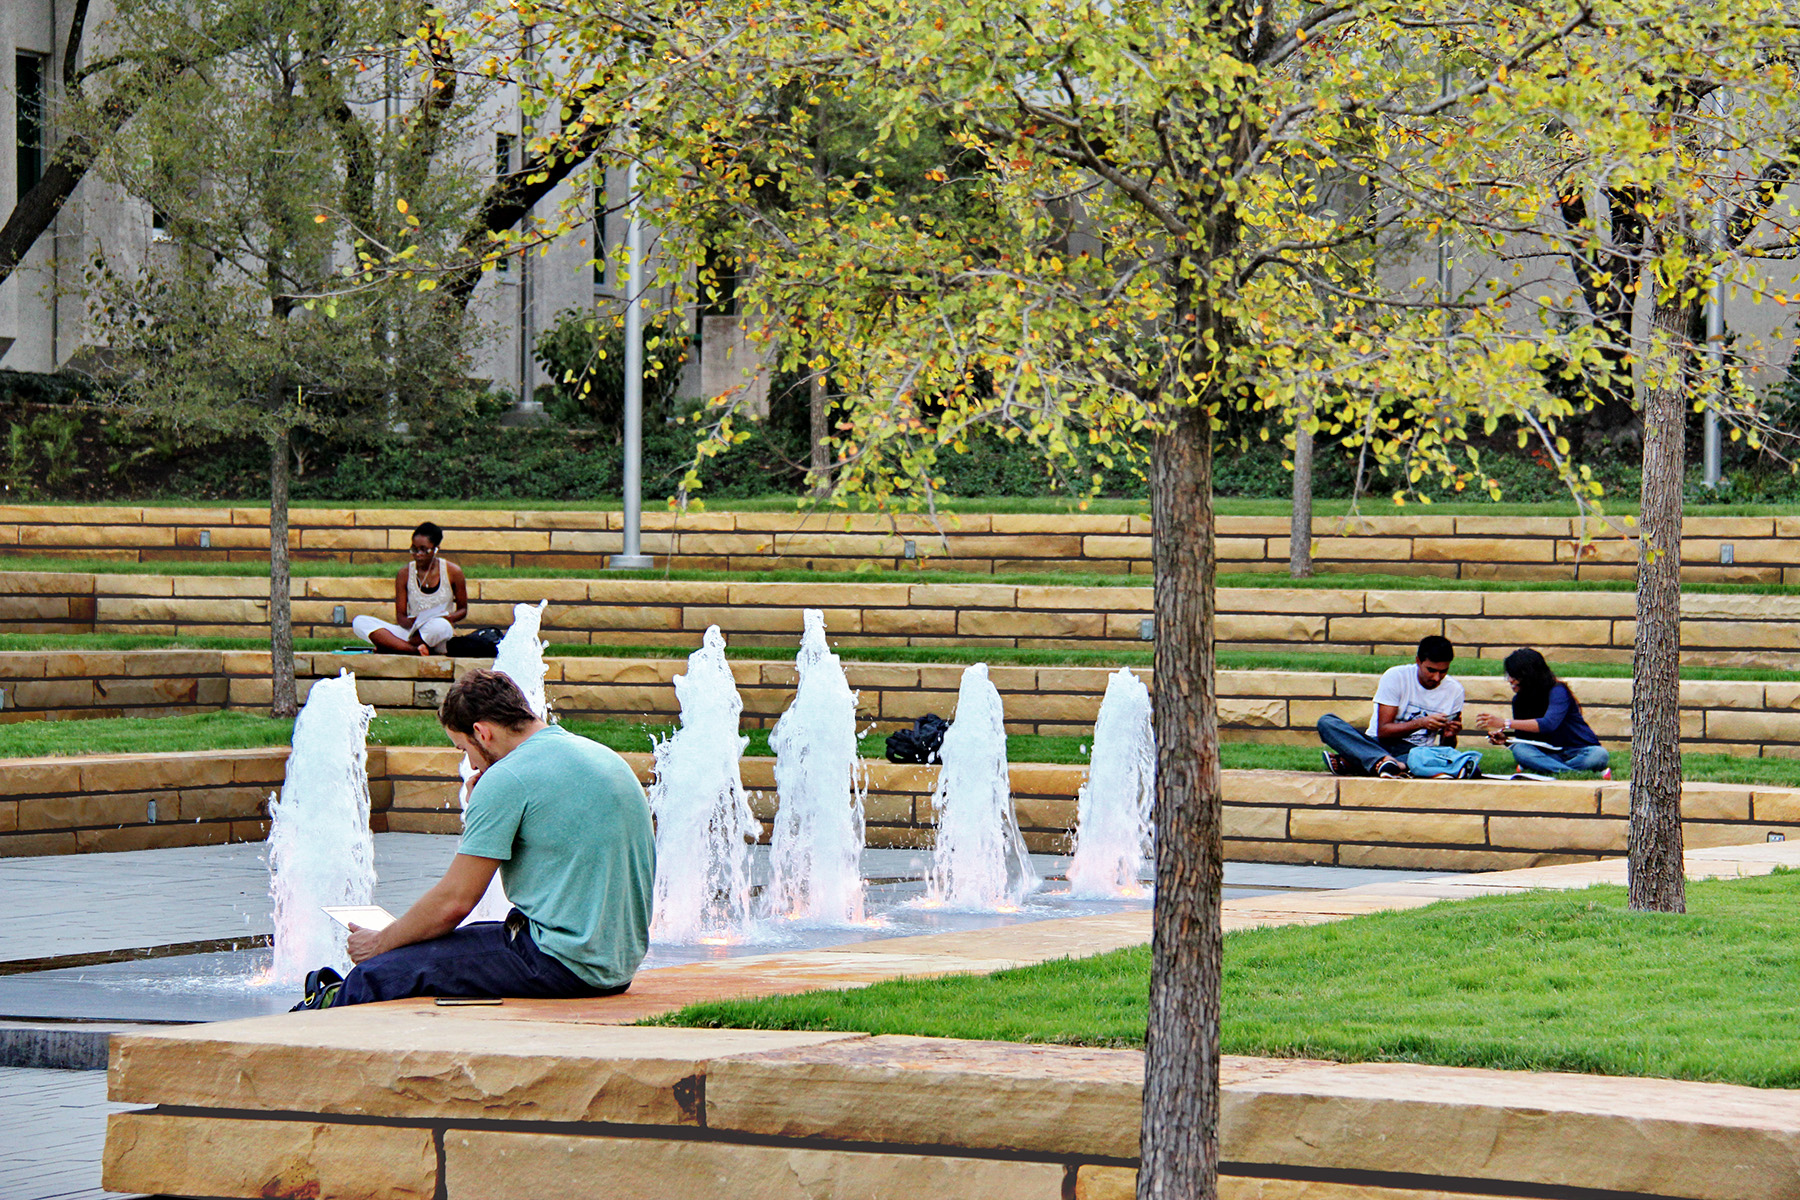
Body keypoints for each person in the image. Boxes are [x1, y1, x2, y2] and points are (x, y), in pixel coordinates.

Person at [291, 669, 655, 1009]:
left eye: (464, 750)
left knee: (380, 972)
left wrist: (379, 943)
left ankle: (319, 1017)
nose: (472, 765)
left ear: (482, 733)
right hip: (615, 963)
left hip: (563, 964)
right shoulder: (598, 754)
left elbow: (454, 901)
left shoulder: (507, 778)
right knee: (455, 941)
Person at [1317, 635, 1465, 778]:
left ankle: (1361, 762)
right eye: (1431, 670)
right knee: (1327, 722)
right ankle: (1385, 761)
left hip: (1417, 752)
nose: (1436, 677)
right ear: (1418, 661)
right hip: (1378, 743)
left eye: (1443, 671)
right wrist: (1421, 723)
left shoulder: (1455, 690)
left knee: (1440, 757)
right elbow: (1383, 731)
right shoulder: (1396, 676)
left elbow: (1447, 748)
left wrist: (1450, 736)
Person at [1473, 648, 1610, 777]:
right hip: (1549, 753)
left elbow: (1548, 724)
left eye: (1515, 676)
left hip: (1576, 750)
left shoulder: (1558, 691)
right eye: (1509, 675)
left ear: (1530, 675)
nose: (1510, 680)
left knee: (1599, 755)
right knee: (1520, 750)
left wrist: (1504, 723)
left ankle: (1544, 768)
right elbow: (1525, 738)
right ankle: (1572, 773)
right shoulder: (1519, 700)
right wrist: (1506, 739)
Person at [351, 521, 469, 656]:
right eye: (414, 549)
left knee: (441, 627)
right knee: (360, 622)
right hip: (411, 631)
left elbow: (463, 610)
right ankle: (414, 650)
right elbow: (400, 616)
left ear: (436, 549)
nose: (418, 554)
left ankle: (394, 646)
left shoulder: (453, 572)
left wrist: (448, 617)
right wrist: (413, 624)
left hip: (438, 634)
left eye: (424, 550)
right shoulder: (404, 573)